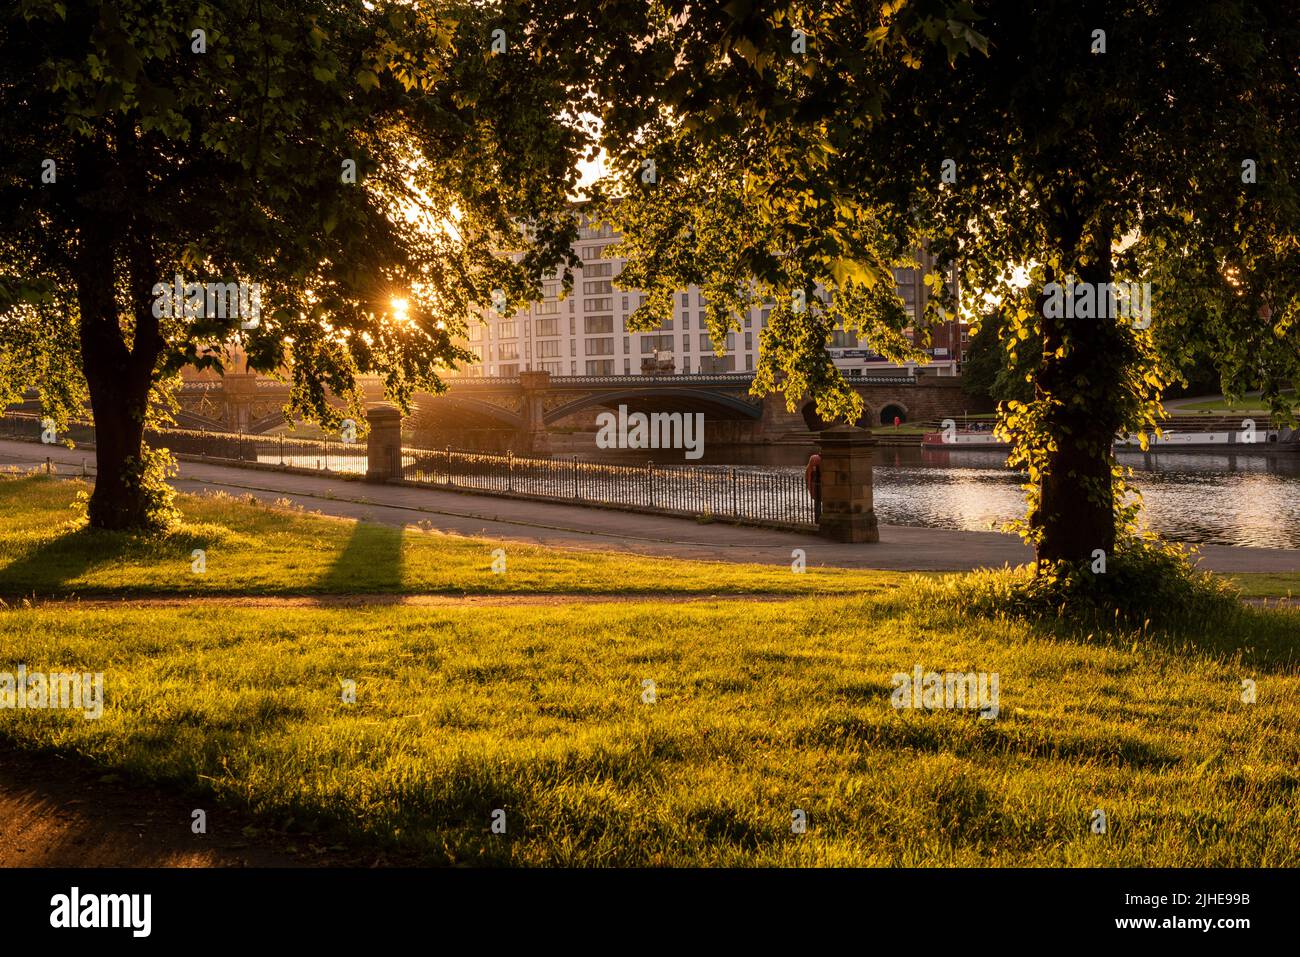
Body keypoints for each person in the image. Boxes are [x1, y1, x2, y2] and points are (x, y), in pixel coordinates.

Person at [804, 452, 822, 522]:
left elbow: (808, 474)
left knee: (817, 503)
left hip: (815, 484)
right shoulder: (815, 458)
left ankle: (817, 520)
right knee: (818, 502)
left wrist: (809, 487)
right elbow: (808, 474)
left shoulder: (813, 458)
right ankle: (818, 520)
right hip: (817, 485)